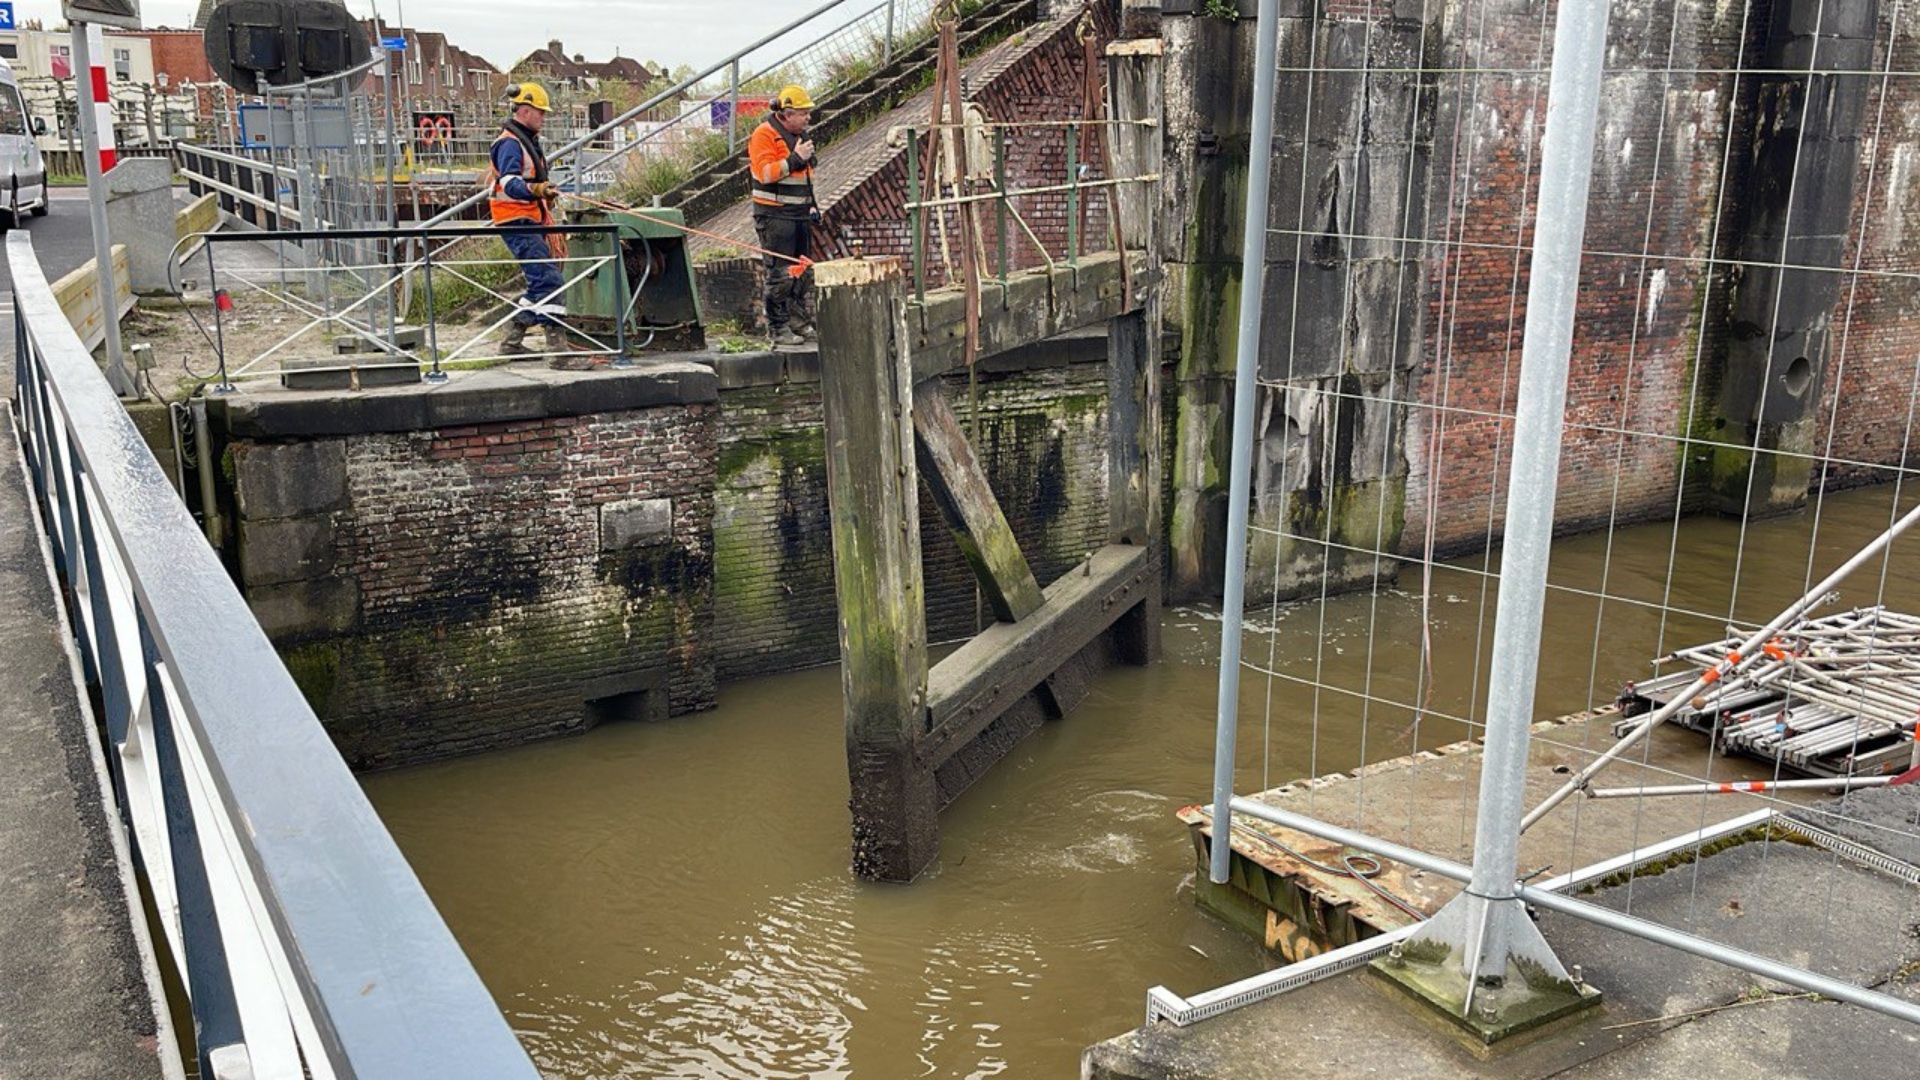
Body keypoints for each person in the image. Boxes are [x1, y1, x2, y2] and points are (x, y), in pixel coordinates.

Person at [485, 82, 569, 358]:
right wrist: (535, 190)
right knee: (550, 281)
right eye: (540, 112)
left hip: (527, 219)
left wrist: (543, 192)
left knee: (540, 282)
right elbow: (510, 183)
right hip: (516, 220)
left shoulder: (522, 140)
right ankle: (558, 352)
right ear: (524, 110)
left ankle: (510, 343)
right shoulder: (510, 143)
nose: (543, 118)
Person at [748, 84, 820, 347]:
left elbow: (805, 176)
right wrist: (795, 158)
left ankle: (798, 322)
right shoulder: (764, 135)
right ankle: (778, 328)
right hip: (775, 216)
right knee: (780, 273)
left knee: (801, 271)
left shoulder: (800, 136)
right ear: (787, 114)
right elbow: (765, 173)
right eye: (803, 113)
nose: (808, 118)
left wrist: (811, 205)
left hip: (798, 214)